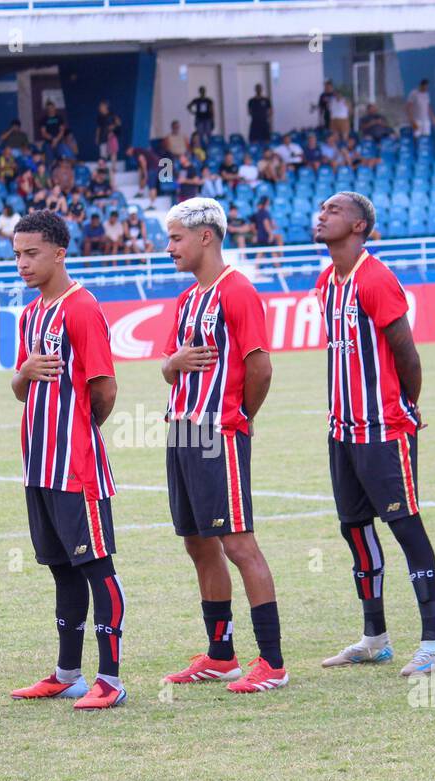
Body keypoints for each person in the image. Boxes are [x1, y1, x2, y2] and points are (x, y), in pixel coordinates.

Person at [309, 194, 435, 675]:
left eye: (333, 211)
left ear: (359, 225)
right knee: (355, 529)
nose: (322, 215)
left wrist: (405, 407)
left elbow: (406, 353)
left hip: (383, 431)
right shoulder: (327, 281)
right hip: (341, 430)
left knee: (406, 527)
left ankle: (433, 642)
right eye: (321, 210)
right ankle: (375, 637)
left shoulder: (376, 278)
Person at [159, 197, 287, 693]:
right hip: (182, 431)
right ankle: (220, 654)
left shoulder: (237, 292)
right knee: (198, 543)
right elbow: (167, 365)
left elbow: (260, 367)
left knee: (238, 543)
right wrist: (174, 364)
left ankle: (273, 662)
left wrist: (238, 418)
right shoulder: (187, 299)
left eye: (176, 238)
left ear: (205, 236)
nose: (169, 248)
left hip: (218, 434)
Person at [7, 211, 126, 709]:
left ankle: (112, 680)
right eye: (16, 254)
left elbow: (103, 389)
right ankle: (67, 672)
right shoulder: (31, 315)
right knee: (61, 568)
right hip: (38, 465)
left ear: (59, 252)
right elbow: (19, 386)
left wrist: (76, 434)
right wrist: (26, 372)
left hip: (75, 465)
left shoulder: (81, 309)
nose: (22, 263)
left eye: (31, 253)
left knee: (98, 566)